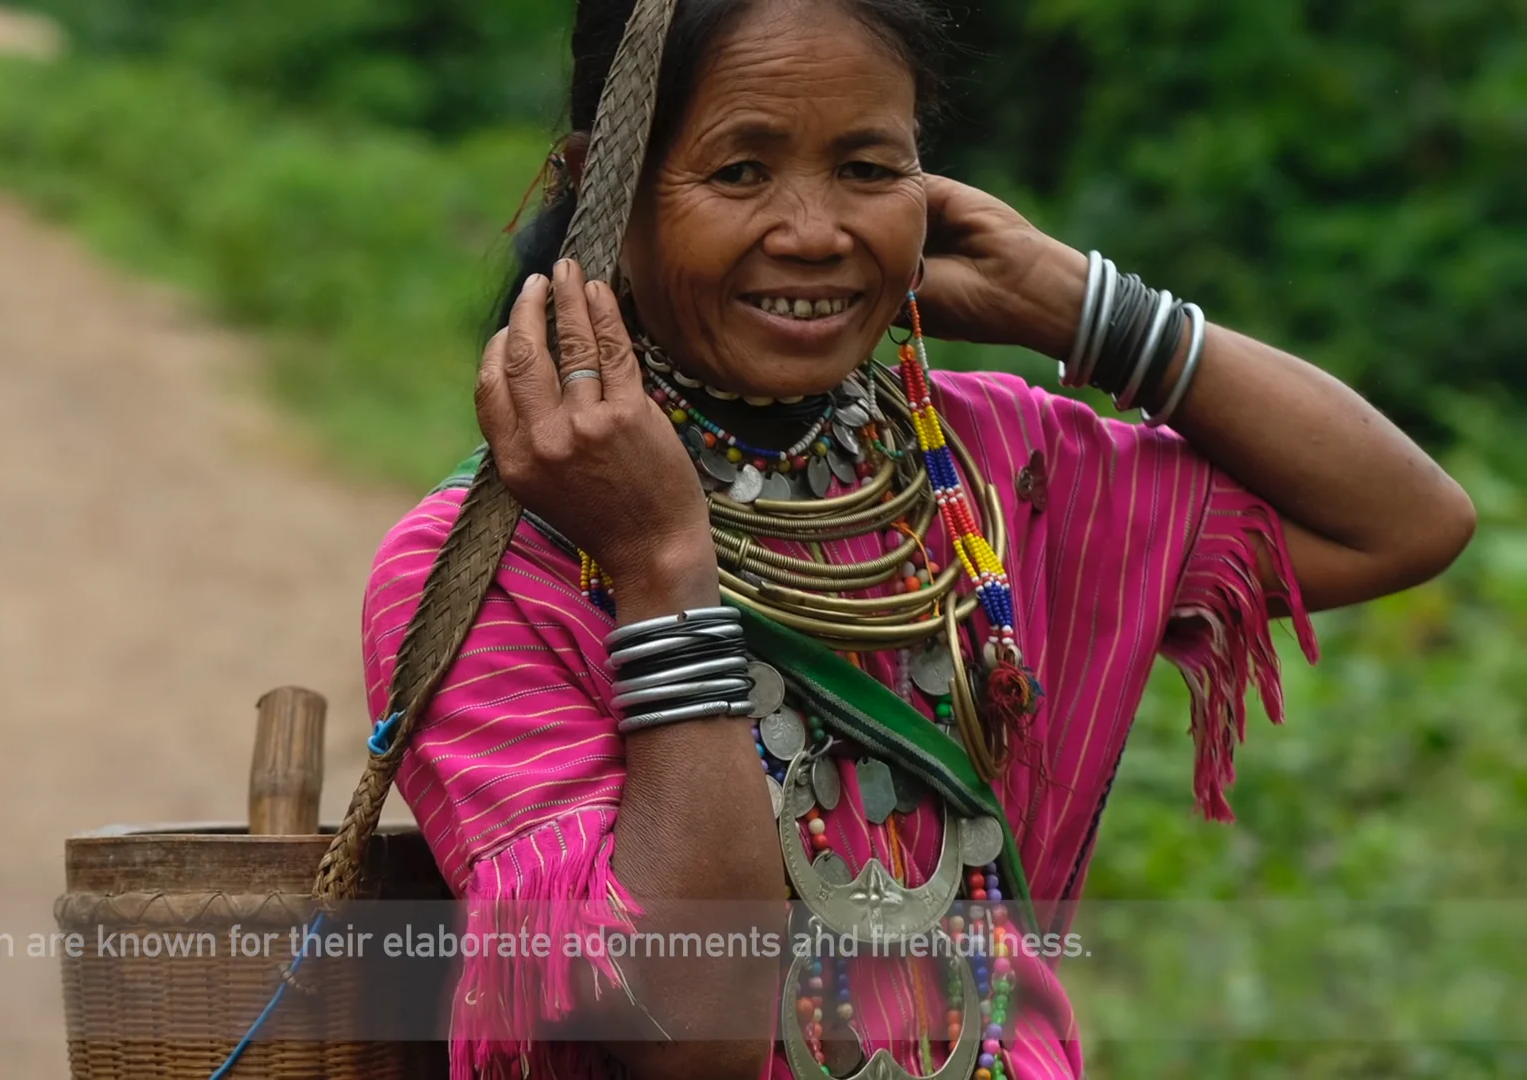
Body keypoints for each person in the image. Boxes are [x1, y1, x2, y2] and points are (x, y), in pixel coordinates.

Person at [358, 1, 1475, 1077]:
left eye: (867, 168)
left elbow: (1405, 519)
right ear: (596, 183)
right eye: (740, 171)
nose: (815, 233)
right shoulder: (489, 571)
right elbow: (690, 1025)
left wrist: (1078, 305)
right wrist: (660, 564)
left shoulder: (994, 469)